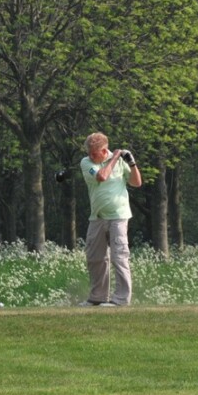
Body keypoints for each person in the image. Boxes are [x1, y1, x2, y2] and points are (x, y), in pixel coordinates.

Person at [79, 131, 142, 306]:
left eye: (95, 153)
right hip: (97, 217)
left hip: (118, 216)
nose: (91, 156)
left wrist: (132, 163)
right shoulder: (86, 163)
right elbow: (102, 176)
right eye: (89, 152)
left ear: (104, 149)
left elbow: (136, 182)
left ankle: (121, 300)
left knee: (119, 257)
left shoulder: (121, 161)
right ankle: (97, 297)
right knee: (95, 258)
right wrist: (114, 157)